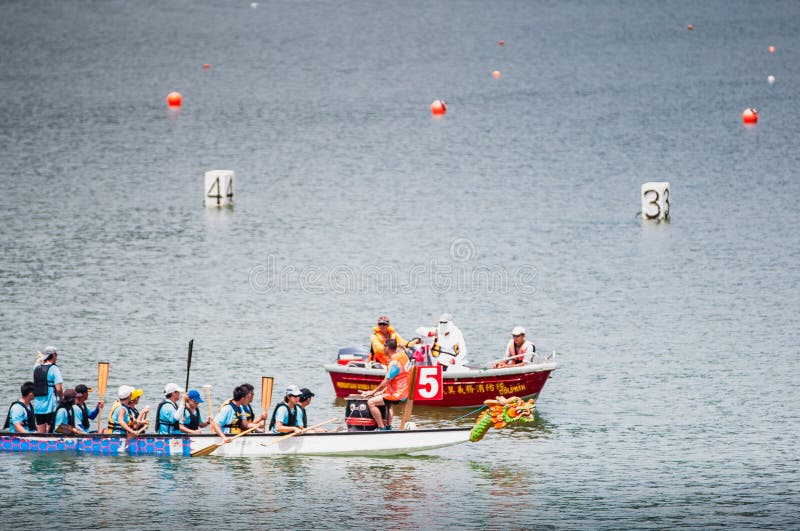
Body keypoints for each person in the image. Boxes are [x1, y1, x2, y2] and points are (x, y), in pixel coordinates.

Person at [361, 339, 410, 430]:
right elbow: (394, 380)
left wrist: (373, 392)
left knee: (371, 402)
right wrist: (381, 392)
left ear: (388, 348)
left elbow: (386, 381)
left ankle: (382, 428)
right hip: (405, 392)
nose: (383, 349)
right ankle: (389, 426)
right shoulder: (403, 356)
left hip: (398, 395)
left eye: (384, 347)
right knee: (387, 402)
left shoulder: (394, 363)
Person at [32, 346, 63, 433]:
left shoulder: (36, 368)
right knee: (51, 431)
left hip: (38, 406)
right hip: (50, 406)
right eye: (56, 354)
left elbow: (37, 362)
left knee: (41, 432)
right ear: (53, 355)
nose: (57, 357)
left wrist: (40, 356)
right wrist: (61, 399)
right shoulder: (54, 369)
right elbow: (58, 388)